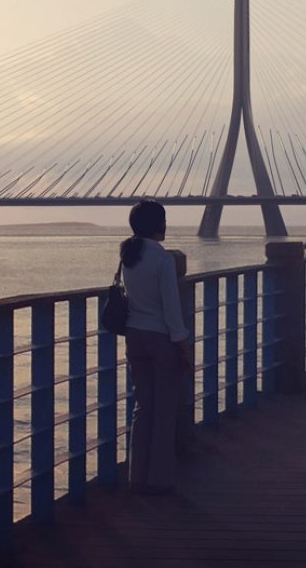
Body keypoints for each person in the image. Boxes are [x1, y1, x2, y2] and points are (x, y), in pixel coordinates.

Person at [120, 200, 191, 492]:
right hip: (161, 338)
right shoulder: (163, 259)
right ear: (157, 224)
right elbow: (172, 308)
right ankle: (159, 479)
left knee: (143, 407)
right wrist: (182, 344)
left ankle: (136, 475)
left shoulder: (128, 254)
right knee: (164, 410)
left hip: (134, 336)